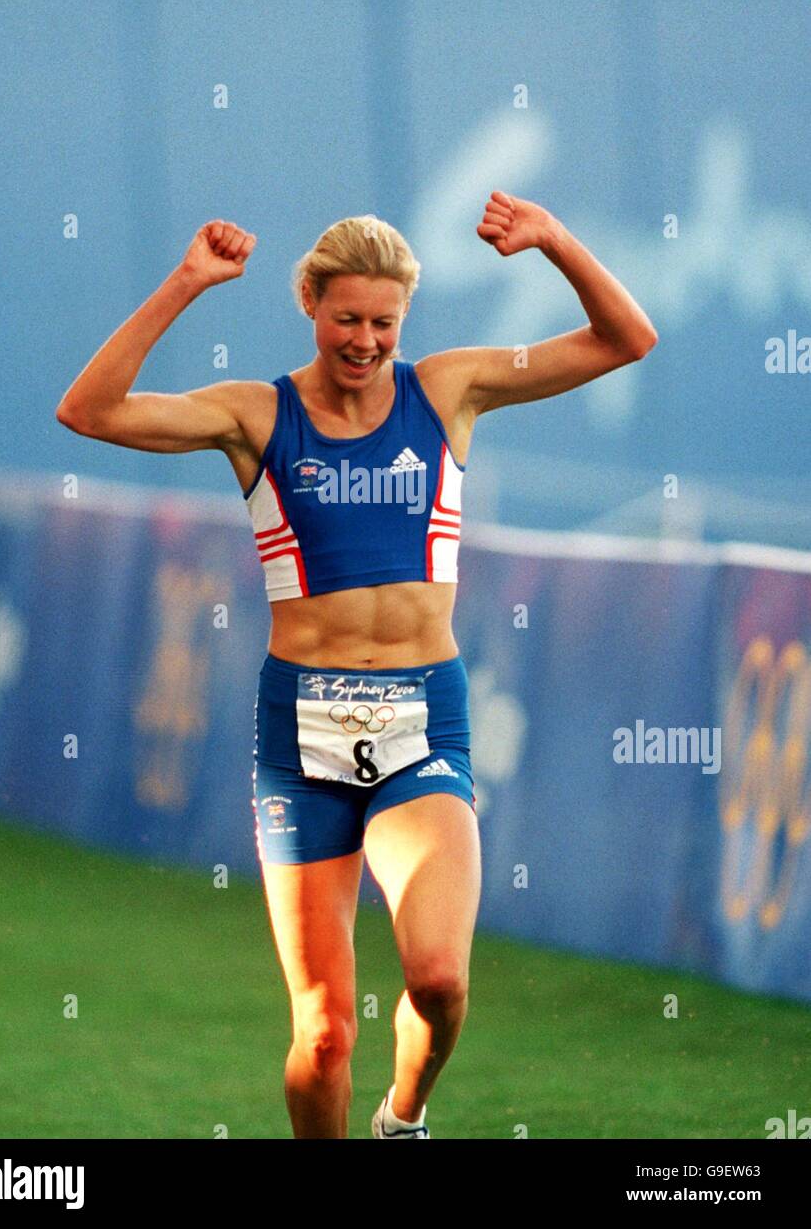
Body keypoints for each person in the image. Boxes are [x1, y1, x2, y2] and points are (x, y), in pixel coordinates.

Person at [56, 193, 657, 1139]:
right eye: (348, 319)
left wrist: (552, 241)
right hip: (302, 741)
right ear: (310, 305)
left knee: (441, 981)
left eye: (384, 322)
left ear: (404, 320)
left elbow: (626, 339)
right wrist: (186, 283)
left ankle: (403, 1117)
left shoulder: (449, 390)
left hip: (424, 721)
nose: (366, 341)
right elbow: (87, 410)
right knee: (326, 1032)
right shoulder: (257, 414)